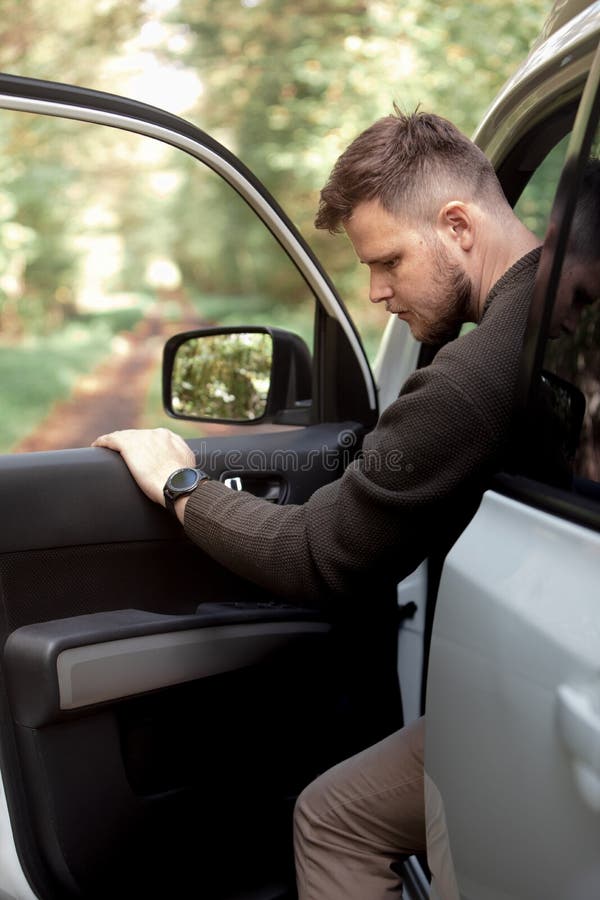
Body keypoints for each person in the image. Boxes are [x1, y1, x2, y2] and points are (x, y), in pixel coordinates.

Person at [92, 110, 545, 898]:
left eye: (389, 262)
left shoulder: (473, 379)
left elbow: (317, 556)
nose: (375, 292)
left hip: (541, 710)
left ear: (459, 226)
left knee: (330, 816)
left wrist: (179, 483)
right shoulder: (554, 319)